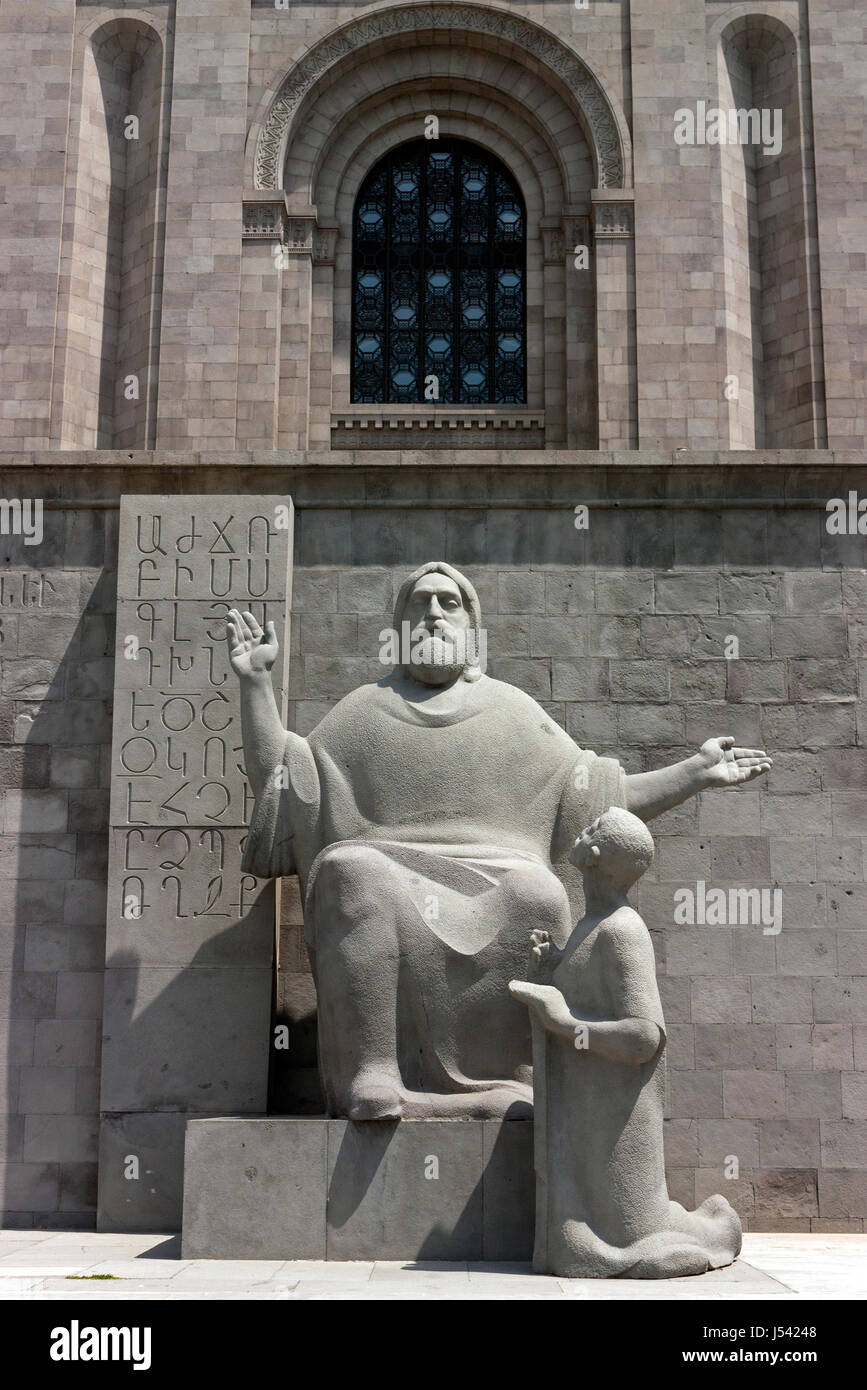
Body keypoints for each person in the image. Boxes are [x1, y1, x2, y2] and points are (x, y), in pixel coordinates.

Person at [227, 561, 771, 1120]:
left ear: (472, 627)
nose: (434, 615)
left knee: (539, 892)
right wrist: (255, 685)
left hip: (496, 875)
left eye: (449, 603)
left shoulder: (511, 712)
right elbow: (286, 787)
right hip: (385, 874)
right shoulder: (361, 713)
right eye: (420, 604)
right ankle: (377, 1076)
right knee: (351, 872)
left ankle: (520, 1079)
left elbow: (600, 797)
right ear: (400, 624)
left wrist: (696, 772)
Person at [510, 808, 742, 1278]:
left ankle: (714, 1232)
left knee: (625, 1235)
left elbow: (642, 1037)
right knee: (601, 1229)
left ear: (595, 857)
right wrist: (553, 962)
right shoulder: (591, 925)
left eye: (592, 828)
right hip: (590, 1116)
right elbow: (590, 988)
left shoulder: (623, 929)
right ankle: (698, 1227)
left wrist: (562, 1022)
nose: (582, 829)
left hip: (617, 1127)